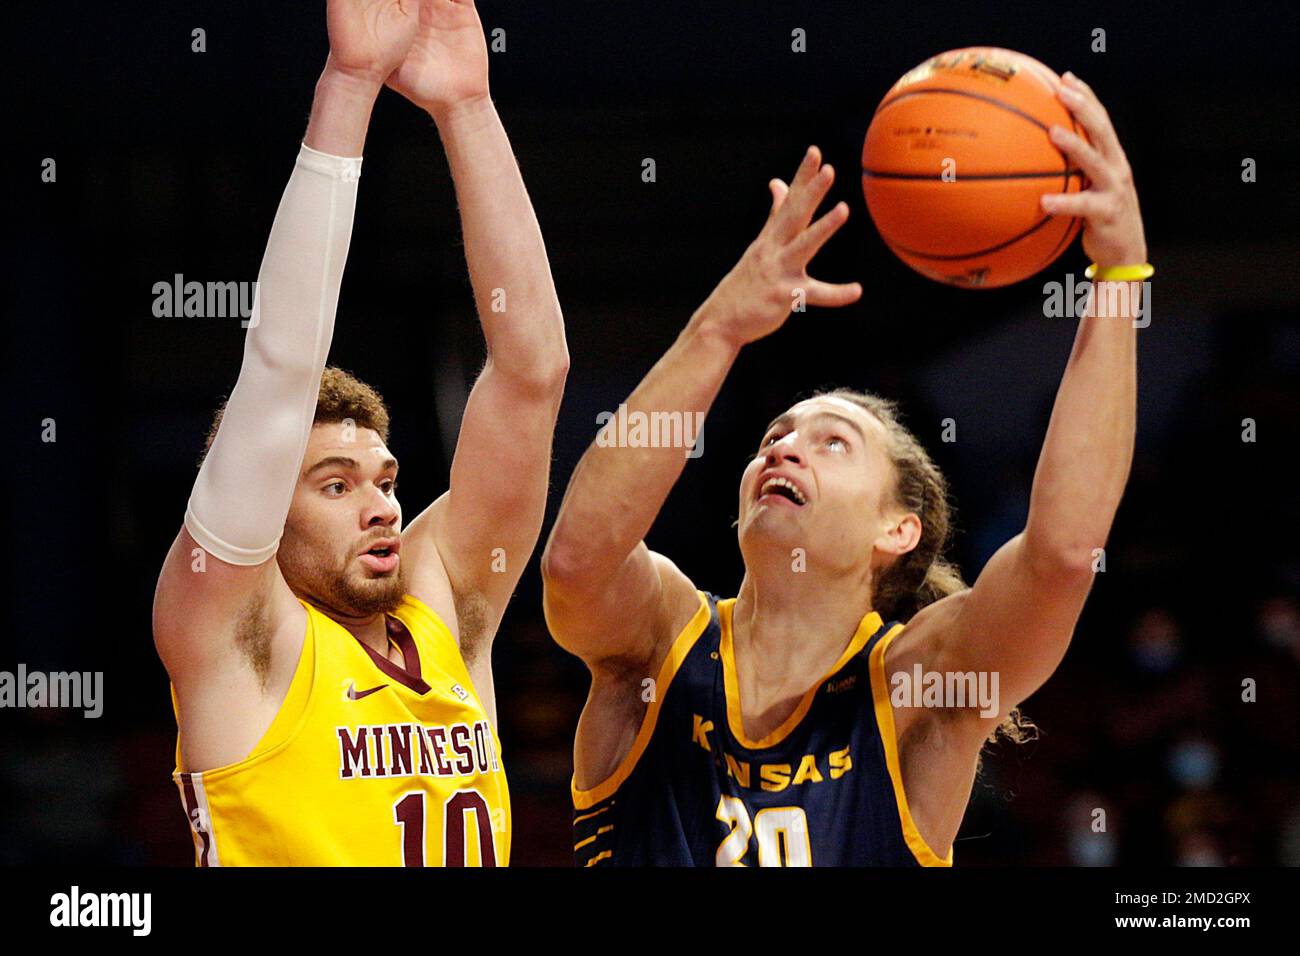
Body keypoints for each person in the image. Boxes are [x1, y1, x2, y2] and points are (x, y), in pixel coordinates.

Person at [542, 72, 1146, 866]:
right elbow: (578, 558)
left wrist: (1118, 280)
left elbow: (1063, 555)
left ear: (899, 529)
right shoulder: (657, 646)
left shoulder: (920, 689)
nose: (783, 447)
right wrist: (720, 327)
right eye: (775, 435)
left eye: (833, 443)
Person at [152, 0, 567, 866]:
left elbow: (532, 378)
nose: (380, 506)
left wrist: (466, 107)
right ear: (269, 510)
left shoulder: (448, 609)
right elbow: (277, 376)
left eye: (383, 480)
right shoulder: (235, 631)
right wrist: (348, 86)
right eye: (335, 485)